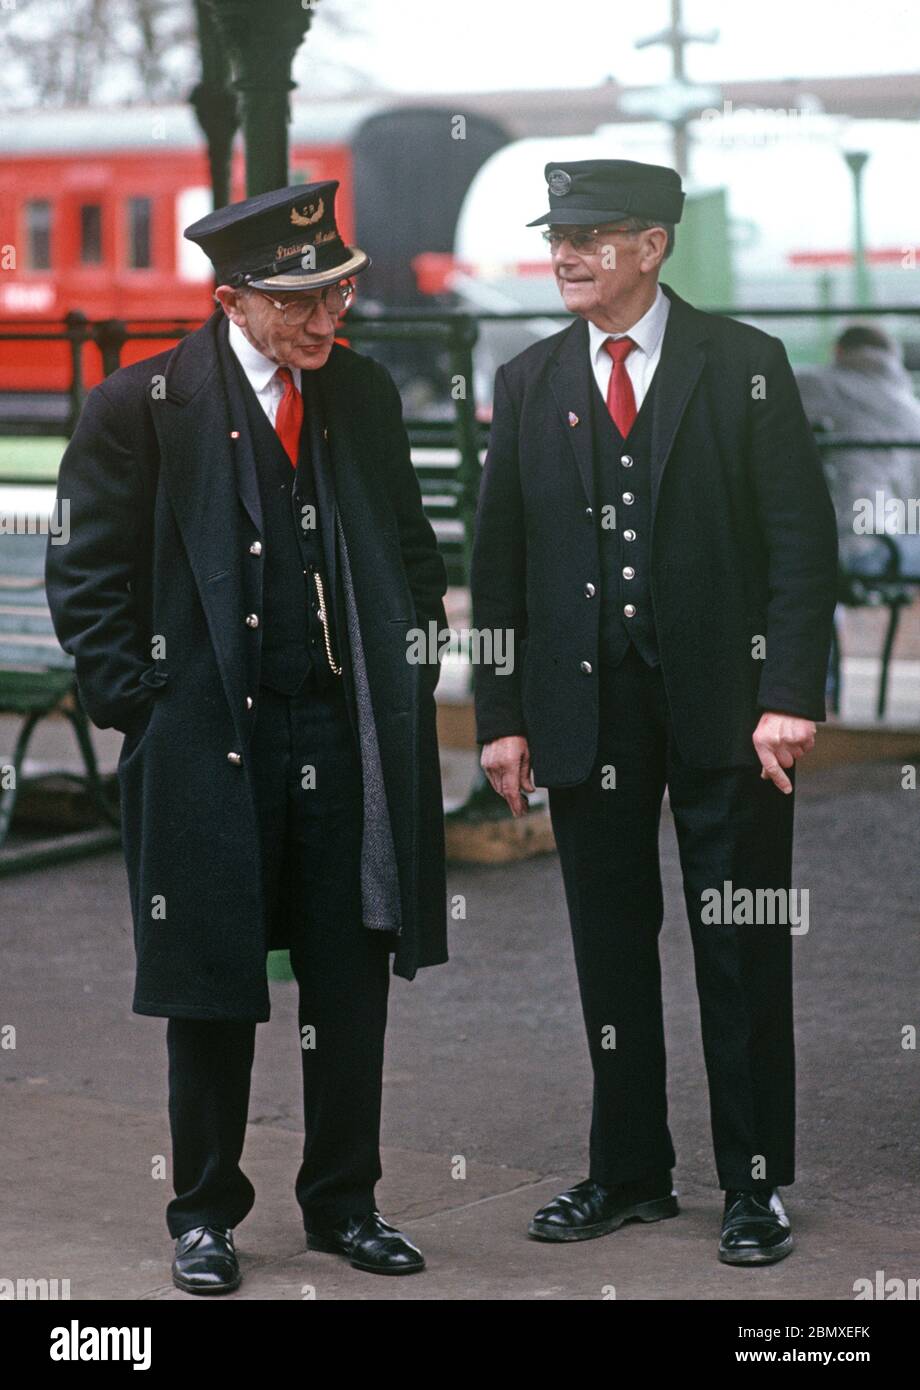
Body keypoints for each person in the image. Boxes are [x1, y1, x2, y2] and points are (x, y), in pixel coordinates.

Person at [45, 181, 449, 1291]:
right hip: (204, 741)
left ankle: (344, 1205)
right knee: (209, 983)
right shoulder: (141, 402)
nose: (329, 320)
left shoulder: (358, 393)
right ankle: (204, 1213)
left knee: (347, 971)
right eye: (302, 302)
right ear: (230, 299)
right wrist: (145, 704)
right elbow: (85, 576)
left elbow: (411, 548)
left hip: (343, 730)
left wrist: (406, 660)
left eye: (340, 292)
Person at [471, 159, 838, 1265]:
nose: (567, 254)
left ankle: (753, 1187)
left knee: (739, 947)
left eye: (594, 235)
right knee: (609, 951)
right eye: (559, 236)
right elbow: (498, 564)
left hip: (730, 714)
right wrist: (501, 713)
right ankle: (627, 1171)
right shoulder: (529, 379)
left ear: (653, 246)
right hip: (587, 715)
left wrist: (785, 696)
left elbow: (798, 545)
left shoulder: (745, 365)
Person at [796, 324, 920, 569]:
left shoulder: (812, 384)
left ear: (838, 351)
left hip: (817, 545)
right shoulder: (911, 409)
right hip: (882, 545)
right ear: (893, 357)